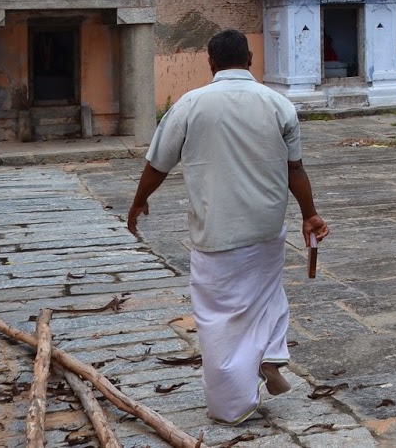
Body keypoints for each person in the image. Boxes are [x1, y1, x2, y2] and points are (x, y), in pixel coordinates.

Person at [127, 29, 328, 425]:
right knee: (267, 294)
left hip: (216, 229)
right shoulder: (277, 104)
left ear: (210, 62)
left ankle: (229, 406)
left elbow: (157, 163)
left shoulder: (190, 104)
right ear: (251, 60)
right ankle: (269, 355)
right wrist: (310, 213)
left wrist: (139, 201)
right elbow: (296, 168)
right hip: (267, 226)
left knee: (218, 316)